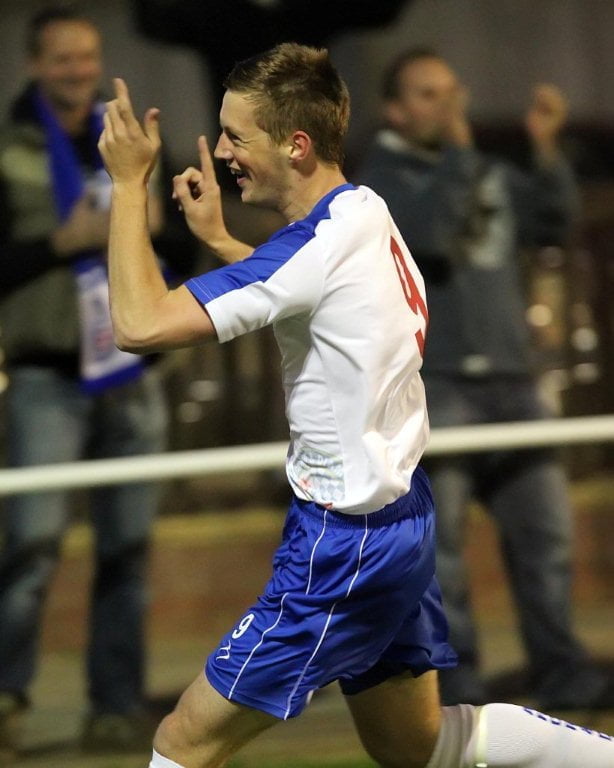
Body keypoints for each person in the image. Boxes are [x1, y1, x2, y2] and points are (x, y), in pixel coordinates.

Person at [99, 42, 614, 768]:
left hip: (344, 545)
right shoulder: (363, 209)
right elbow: (304, 291)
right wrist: (218, 238)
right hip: (399, 518)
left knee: (183, 740)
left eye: (236, 136)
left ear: (296, 145)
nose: (221, 151)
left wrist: (126, 186)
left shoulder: (312, 248)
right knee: (420, 746)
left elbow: (137, 325)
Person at [355, 47, 610, 710]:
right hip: (438, 383)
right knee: (444, 552)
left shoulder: (483, 167)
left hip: (511, 380)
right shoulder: (379, 181)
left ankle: (561, 668)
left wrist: (545, 151)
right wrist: (465, 159)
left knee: (545, 535)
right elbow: (433, 237)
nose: (447, 106)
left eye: (450, 91)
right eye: (428, 94)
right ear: (395, 110)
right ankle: (458, 682)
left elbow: (552, 222)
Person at [0, 6, 194, 758]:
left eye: (87, 58)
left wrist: (142, 238)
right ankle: (9, 697)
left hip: (129, 369)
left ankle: (113, 706)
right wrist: (63, 242)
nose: (78, 71)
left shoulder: (131, 140)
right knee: (33, 543)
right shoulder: (11, 146)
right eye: (62, 60)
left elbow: (179, 236)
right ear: (34, 66)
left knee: (127, 547)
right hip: (48, 374)